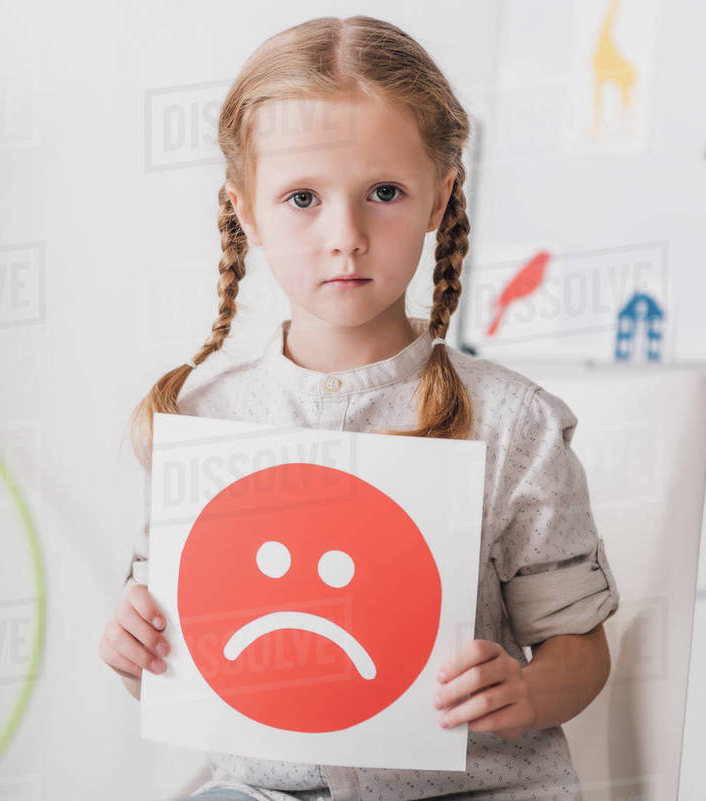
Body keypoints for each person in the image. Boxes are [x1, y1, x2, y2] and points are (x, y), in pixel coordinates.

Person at [99, 15, 619, 801]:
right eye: (302, 197)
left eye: (384, 193)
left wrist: (528, 692)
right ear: (245, 212)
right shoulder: (206, 418)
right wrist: (134, 648)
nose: (345, 236)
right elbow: (184, 672)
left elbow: (580, 651)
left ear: (441, 197)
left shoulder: (512, 424)